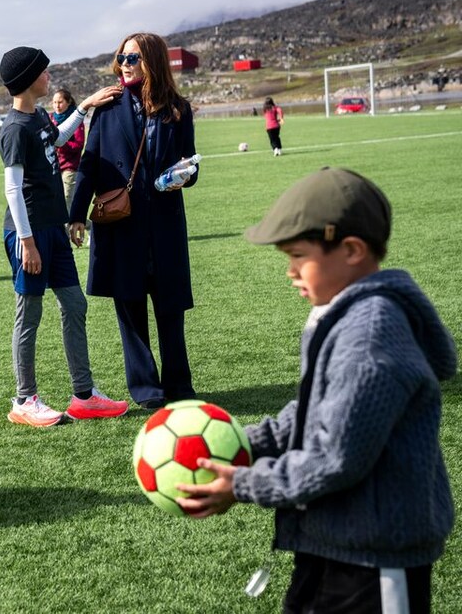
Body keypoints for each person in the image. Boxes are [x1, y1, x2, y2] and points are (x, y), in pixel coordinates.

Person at [176, 168, 457, 613]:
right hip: (335, 543)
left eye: (298, 256)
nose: (290, 272)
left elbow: (335, 457)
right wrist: (240, 442)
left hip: (376, 561)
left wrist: (244, 483)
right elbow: (312, 411)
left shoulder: (370, 334)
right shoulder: (342, 316)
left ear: (351, 250)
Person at [0, 45, 128, 427]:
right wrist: (27, 242)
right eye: (43, 71)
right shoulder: (14, 129)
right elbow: (12, 190)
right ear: (26, 79)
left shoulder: (37, 117)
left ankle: (84, 396)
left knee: (74, 304)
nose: (48, 75)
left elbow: (56, 139)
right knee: (30, 315)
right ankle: (24, 400)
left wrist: (84, 106)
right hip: (30, 235)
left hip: (52, 230)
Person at [69, 32, 200, 409]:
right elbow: (89, 164)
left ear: (152, 62)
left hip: (164, 222)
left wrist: (185, 175)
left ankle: (179, 385)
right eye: (122, 58)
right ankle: (146, 390)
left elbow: (189, 162)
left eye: (133, 58)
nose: (125, 64)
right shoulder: (108, 109)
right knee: (129, 308)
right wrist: (77, 214)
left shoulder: (178, 109)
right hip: (121, 223)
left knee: (170, 309)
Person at [48, 88, 86, 232]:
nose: (57, 105)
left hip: (71, 167)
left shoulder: (75, 119)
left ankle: (63, 238)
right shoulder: (50, 118)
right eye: (54, 102)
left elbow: (78, 145)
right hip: (53, 167)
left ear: (69, 102)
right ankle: (90, 226)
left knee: (65, 202)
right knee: (58, 204)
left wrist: (59, 143)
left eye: (60, 102)